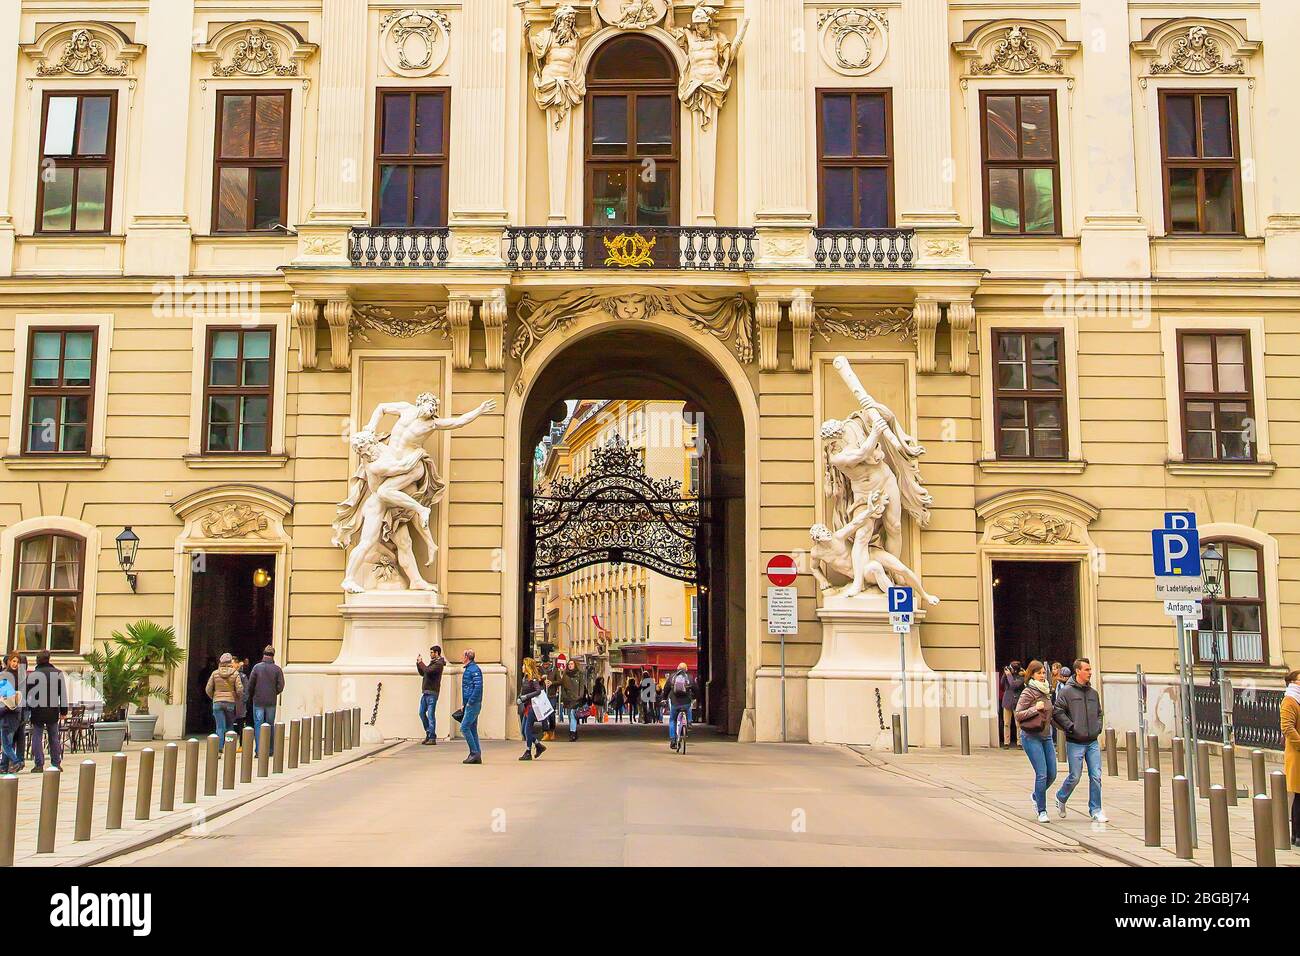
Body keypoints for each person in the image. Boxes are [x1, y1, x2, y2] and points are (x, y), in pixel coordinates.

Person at [1053, 658, 1107, 823]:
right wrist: (1071, 727)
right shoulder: (1067, 692)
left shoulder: (1093, 693)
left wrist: (1098, 727)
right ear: (1078, 671)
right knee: (1075, 776)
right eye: (1087, 669)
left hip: (1092, 741)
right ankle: (1061, 797)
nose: (1090, 672)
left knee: (1096, 776)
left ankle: (1096, 809)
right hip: (1075, 741)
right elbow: (1057, 711)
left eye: (1090, 669)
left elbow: (1099, 712)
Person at [1015, 660, 1057, 823]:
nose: (1042, 675)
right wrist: (1035, 708)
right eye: (1038, 673)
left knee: (1052, 774)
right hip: (1031, 736)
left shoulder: (1046, 690)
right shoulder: (1028, 692)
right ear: (1031, 675)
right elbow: (1018, 714)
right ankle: (1042, 810)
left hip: (1046, 736)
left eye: (1043, 673)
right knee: (1041, 774)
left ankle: (1035, 795)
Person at [26, 650, 68, 771]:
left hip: (37, 710)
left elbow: (27, 695)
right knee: (54, 737)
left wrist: (28, 709)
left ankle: (39, 764)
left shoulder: (33, 675)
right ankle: (56, 763)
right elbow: (63, 695)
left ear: (37, 660)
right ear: (49, 659)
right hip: (52, 710)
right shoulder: (58, 673)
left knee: (37, 737)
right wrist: (63, 712)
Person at [246, 645, 284, 757]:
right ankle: (270, 750)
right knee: (270, 725)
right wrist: (273, 692)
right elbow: (281, 686)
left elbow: (250, 685)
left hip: (258, 701)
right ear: (273, 656)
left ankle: (259, 750)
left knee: (258, 725)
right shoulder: (277, 669)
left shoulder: (257, 668)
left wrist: (252, 695)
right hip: (271, 701)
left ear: (264, 654)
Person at [205, 653, 243, 743]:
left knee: (220, 726)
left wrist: (214, 697)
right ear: (230, 662)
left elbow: (208, 689)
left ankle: (219, 747)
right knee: (230, 727)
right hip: (230, 702)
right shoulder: (235, 673)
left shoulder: (215, 673)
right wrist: (236, 698)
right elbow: (240, 689)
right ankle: (230, 746)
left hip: (217, 702)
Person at [1282, 669, 1300, 846]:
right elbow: (1287, 728)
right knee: (1299, 796)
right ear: (1293, 682)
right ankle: (1297, 835)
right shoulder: (1289, 701)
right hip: (1297, 755)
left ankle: (1297, 834)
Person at [517, 658, 548, 761]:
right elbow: (523, 691)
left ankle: (528, 751)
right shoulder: (525, 678)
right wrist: (520, 698)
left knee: (527, 730)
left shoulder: (533, 678)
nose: (522, 667)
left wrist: (526, 697)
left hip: (532, 707)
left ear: (527, 666)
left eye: (523, 665)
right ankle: (538, 746)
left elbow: (538, 691)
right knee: (523, 730)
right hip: (527, 706)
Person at [416, 645, 446, 745]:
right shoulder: (432, 663)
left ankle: (432, 737)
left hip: (432, 692)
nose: (430, 654)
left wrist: (421, 662)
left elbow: (428, 671)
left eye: (432, 652)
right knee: (421, 713)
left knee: (431, 715)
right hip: (425, 692)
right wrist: (418, 664)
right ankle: (429, 732)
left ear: (437, 653)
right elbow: (423, 673)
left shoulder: (439, 664)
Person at [666, 663, 696, 751]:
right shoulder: (690, 678)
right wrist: (695, 697)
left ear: (677, 668)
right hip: (686, 701)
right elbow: (696, 689)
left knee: (672, 720)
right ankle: (689, 722)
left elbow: (666, 689)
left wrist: (664, 698)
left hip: (675, 702)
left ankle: (673, 740)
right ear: (686, 669)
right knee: (688, 706)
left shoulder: (672, 677)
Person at [460, 649, 483, 764]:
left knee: (464, 727)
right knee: (472, 728)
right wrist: (464, 703)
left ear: (467, 657)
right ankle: (477, 754)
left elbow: (477, 687)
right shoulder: (471, 669)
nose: (461, 658)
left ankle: (474, 752)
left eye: (463, 656)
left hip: (473, 704)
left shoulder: (473, 670)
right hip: (470, 703)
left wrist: (470, 702)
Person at [0, 657, 22, 773]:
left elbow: (8, 703)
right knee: (6, 742)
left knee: (6, 743)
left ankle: (16, 761)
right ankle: (3, 766)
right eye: (13, 661)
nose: (15, 664)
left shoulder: (4, 679)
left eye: (17, 662)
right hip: (11, 715)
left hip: (8, 716)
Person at [999, 661, 1024, 748]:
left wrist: (1009, 675)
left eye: (1011, 668)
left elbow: (1014, 685)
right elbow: (1002, 684)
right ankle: (1006, 742)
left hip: (1017, 702)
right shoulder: (1007, 675)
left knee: (1018, 724)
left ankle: (1019, 742)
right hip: (1007, 701)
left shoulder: (1021, 677)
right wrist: (1004, 674)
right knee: (1006, 723)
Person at [560, 659, 584, 741]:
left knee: (572, 715)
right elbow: (562, 686)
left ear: (575, 665)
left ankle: (572, 734)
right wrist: (564, 697)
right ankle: (574, 732)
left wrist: (580, 696)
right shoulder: (565, 675)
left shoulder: (579, 674)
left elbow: (582, 687)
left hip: (576, 699)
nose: (570, 665)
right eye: (569, 664)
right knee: (570, 717)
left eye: (572, 664)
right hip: (568, 699)